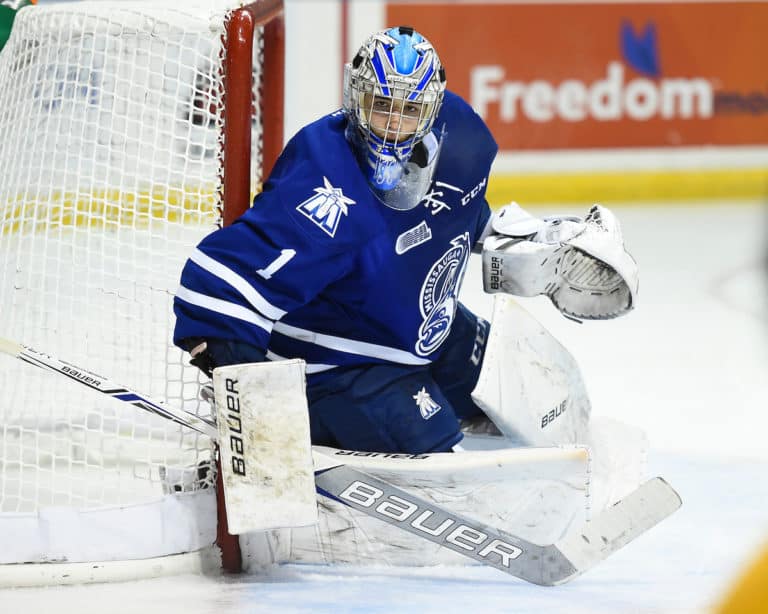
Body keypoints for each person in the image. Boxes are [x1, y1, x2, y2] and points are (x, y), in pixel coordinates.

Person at [173, 26, 637, 454]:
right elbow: (217, 288)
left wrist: (515, 239)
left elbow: (457, 208)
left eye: (411, 109)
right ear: (355, 97)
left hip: (423, 327)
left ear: (432, 109)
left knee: (531, 390)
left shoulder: (459, 135)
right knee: (444, 464)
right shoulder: (324, 188)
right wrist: (253, 405)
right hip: (338, 362)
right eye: (381, 105)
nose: (394, 124)